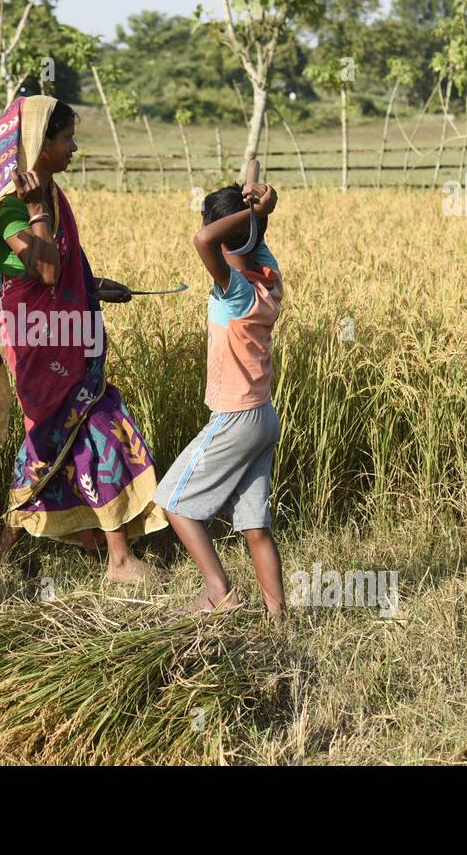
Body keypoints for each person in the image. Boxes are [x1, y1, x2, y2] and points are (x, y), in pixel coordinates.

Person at [0, 95, 166, 582]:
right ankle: (117, 560)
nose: (74, 147)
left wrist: (92, 286)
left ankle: (8, 554)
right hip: (37, 344)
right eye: (67, 138)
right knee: (98, 429)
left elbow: (61, 271)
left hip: (69, 336)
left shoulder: (52, 198)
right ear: (39, 146)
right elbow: (45, 272)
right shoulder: (14, 210)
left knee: (50, 444)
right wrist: (33, 209)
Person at [152, 179, 286, 614]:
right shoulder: (267, 276)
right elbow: (243, 240)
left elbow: (203, 239)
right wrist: (262, 213)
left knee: (175, 502)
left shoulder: (236, 290)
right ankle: (277, 614)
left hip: (234, 418)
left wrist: (251, 214)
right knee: (255, 525)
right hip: (263, 417)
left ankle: (219, 594)